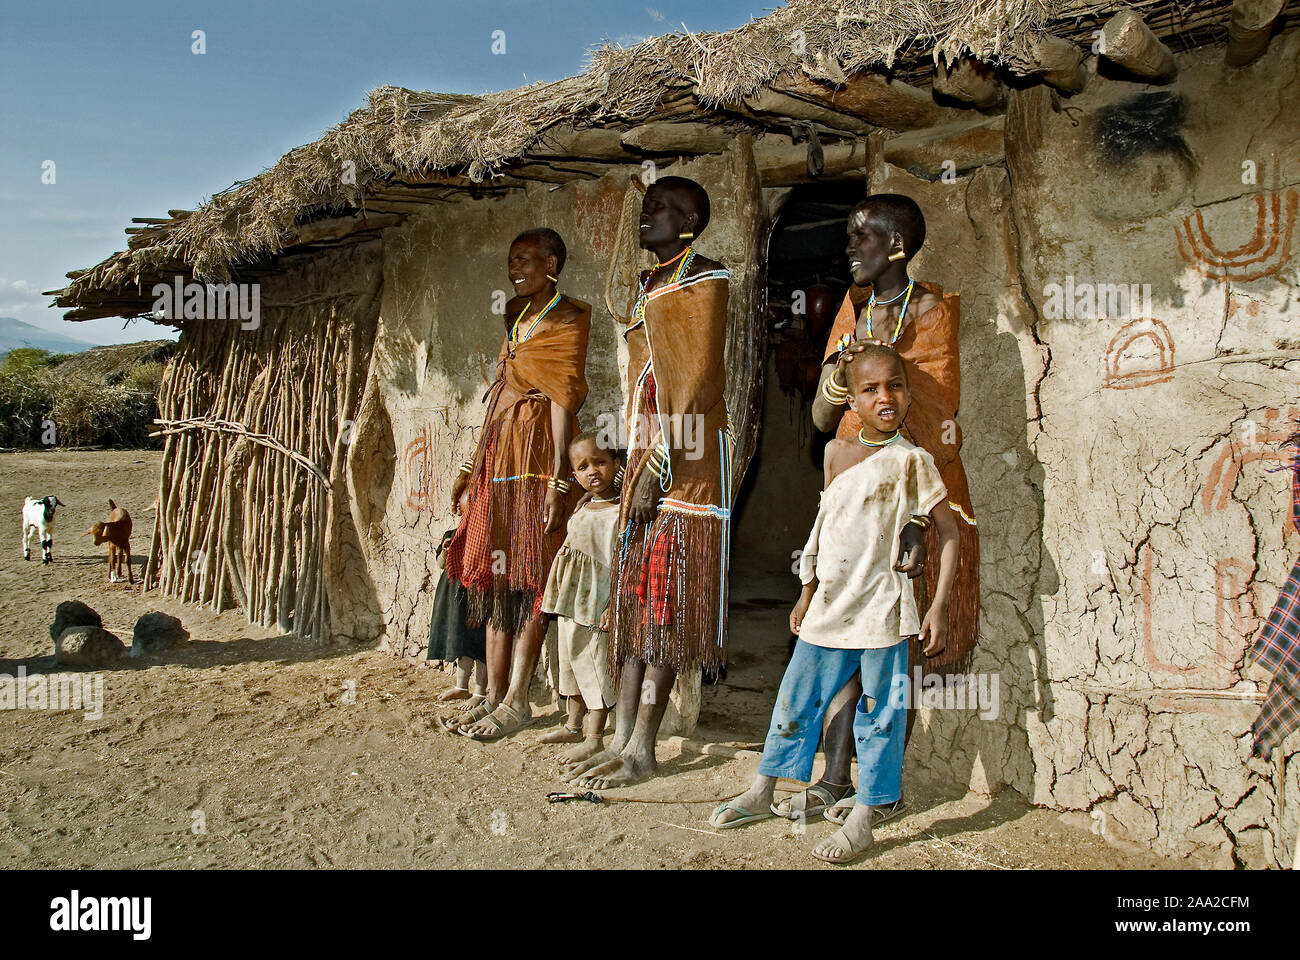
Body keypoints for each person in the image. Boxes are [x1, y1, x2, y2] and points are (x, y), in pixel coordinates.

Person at [709, 343, 960, 865]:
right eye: (870, 389)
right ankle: (763, 789)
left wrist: (936, 607)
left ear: (909, 395)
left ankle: (866, 814)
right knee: (795, 699)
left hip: (884, 613)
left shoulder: (913, 461)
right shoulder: (836, 455)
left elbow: (949, 532)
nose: (885, 397)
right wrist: (805, 592)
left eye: (895, 386)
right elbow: (822, 529)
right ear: (851, 400)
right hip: (829, 606)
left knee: (882, 714)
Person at [778, 193, 979, 825]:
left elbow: (940, 415)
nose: (849, 250)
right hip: (851, 504)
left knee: (891, 654)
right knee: (840, 646)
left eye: (860, 238)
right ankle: (834, 779)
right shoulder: (853, 310)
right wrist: (837, 383)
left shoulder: (931, 310)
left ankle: (879, 789)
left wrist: (918, 518)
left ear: (896, 244)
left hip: (907, 498)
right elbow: (820, 418)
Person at [564, 177, 732, 788]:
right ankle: (621, 736)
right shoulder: (647, 287)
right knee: (632, 604)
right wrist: (640, 460)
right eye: (645, 205)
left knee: (665, 607)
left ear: (690, 217)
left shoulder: (705, 279)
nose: (646, 216)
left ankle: (644, 746)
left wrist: (660, 465)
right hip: (645, 456)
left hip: (687, 465)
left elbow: (698, 383)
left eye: (659, 208)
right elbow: (645, 383)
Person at [443, 227, 591, 741]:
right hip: (500, 456)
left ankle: (518, 700)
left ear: (552, 260)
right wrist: (470, 466)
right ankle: (490, 693)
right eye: (511, 261)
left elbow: (562, 403)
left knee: (530, 578)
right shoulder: (515, 315)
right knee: (493, 577)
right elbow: (503, 393)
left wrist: (557, 480)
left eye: (525, 259)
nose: (515, 269)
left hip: (535, 460)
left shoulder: (570, 316)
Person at [537, 433, 623, 763]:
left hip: (596, 600)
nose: (593, 471)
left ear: (616, 464)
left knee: (594, 664)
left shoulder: (622, 511)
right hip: (570, 598)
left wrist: (613, 605)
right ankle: (573, 724)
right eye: (583, 467)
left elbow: (622, 563)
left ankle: (595, 737)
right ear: (574, 474)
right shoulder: (583, 503)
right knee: (569, 660)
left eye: (600, 462)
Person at [428, 493, 488, 712]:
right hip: (455, 598)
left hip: (478, 597)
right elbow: (440, 565)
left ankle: (480, 691)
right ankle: (461, 686)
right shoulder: (450, 535)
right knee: (461, 643)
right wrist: (445, 550)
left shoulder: (487, 535)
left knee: (480, 645)